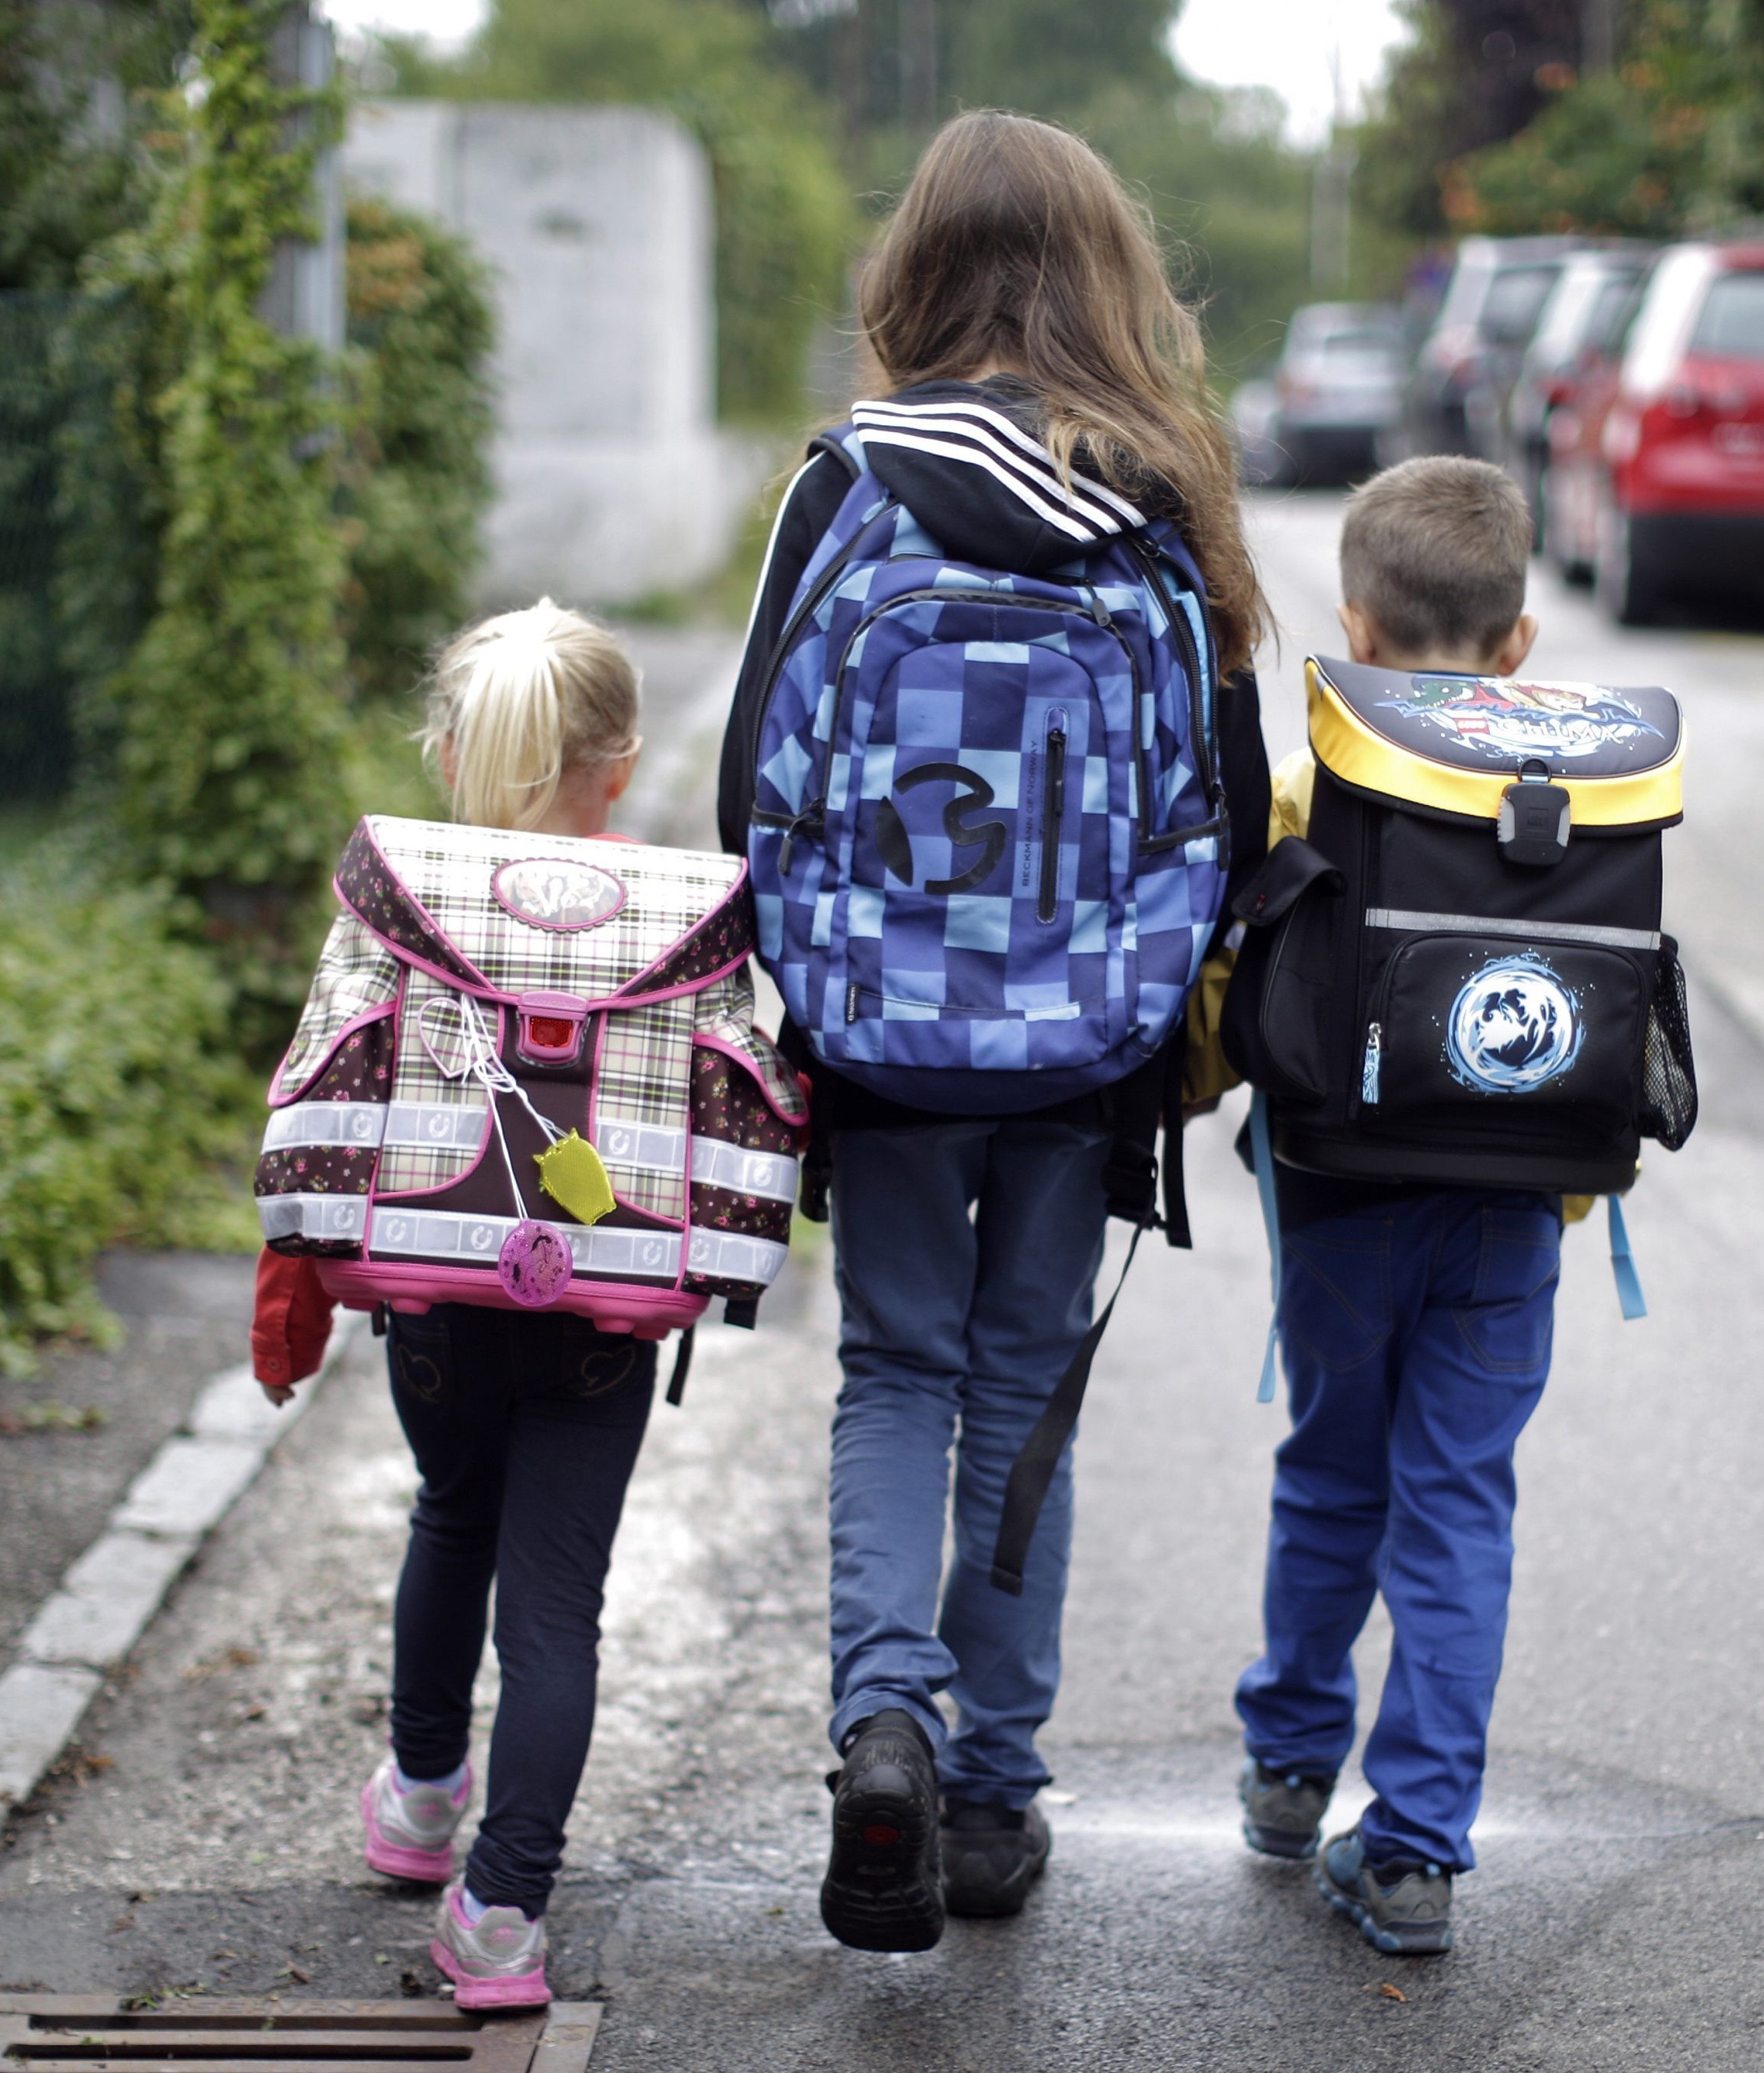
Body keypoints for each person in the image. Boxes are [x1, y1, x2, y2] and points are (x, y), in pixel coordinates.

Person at [714, 109, 1271, 1948]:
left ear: (913, 271)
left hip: (876, 1028)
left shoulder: (847, 481)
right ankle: (992, 1796)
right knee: (1027, 1385)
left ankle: (885, 1716)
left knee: (895, 1369)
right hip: (1085, 1033)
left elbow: (749, 785)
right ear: (1111, 274)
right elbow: (1230, 789)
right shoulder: (1161, 492)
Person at [251, 602, 652, 2010]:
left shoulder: (399, 900)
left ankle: (423, 1797)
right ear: (624, 762)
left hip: (432, 1306)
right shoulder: (669, 924)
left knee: (452, 1516)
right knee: (557, 1608)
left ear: (444, 756)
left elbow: (318, 1082)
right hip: (602, 1314)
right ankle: (502, 1916)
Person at [1227, 458, 1558, 1957]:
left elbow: (1241, 974)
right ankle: (1415, 1844)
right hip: (1511, 1210)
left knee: (1332, 1470)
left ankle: (1293, 1765)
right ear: (1519, 646)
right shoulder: (1582, 782)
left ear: (1351, 626)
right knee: (1458, 1505)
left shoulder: (1318, 774)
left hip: (1340, 1197)